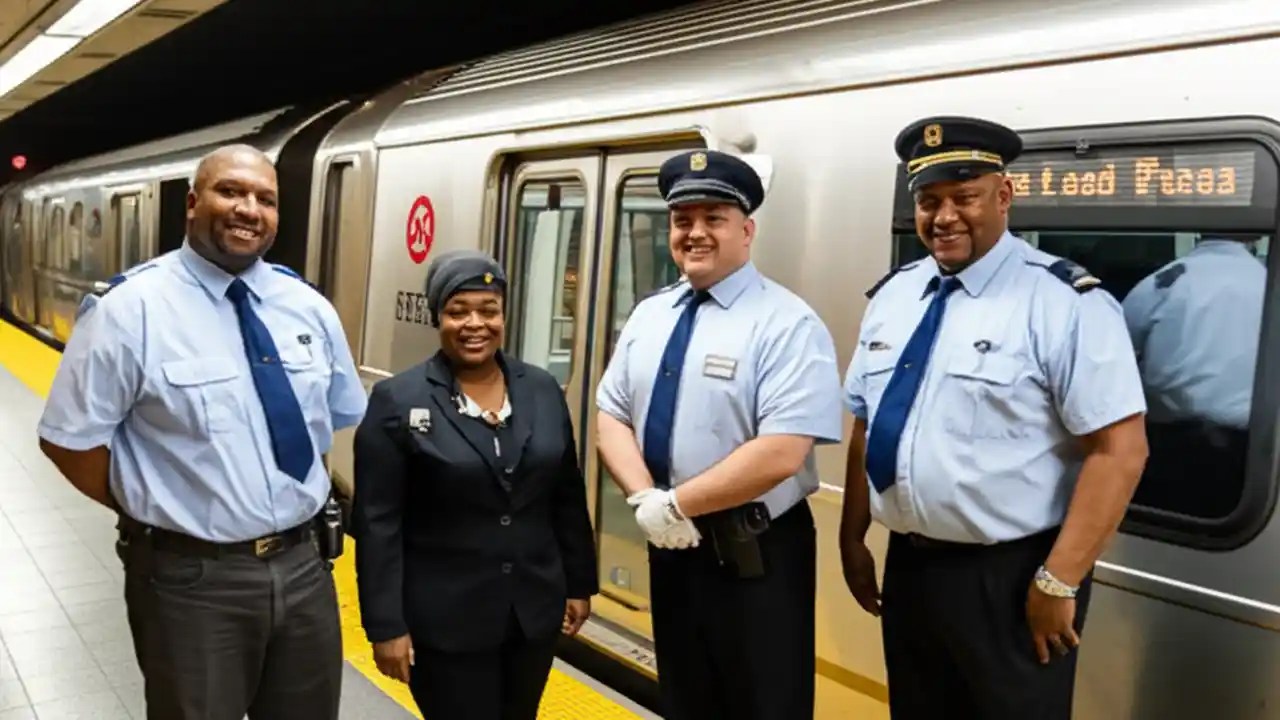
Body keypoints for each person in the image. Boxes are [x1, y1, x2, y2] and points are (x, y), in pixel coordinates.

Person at [35, 144, 369, 720]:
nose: (249, 209)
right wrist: (152, 505)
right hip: (190, 581)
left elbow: (334, 418)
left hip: (305, 567)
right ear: (193, 203)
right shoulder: (130, 309)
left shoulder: (307, 306)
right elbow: (67, 439)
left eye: (265, 199)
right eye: (231, 192)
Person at [838, 116, 1150, 720]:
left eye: (965, 197)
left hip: (1012, 579)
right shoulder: (896, 296)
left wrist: (1060, 580)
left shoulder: (1063, 303)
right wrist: (854, 536)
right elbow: (866, 426)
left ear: (1003, 197)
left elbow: (1121, 450)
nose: (944, 216)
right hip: (912, 568)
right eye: (929, 201)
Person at [595, 149, 844, 720]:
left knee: (762, 703)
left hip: (754, 552)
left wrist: (675, 503)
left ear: (746, 230)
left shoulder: (786, 322)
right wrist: (646, 500)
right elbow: (610, 415)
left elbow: (782, 451)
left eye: (714, 219)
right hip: (671, 544)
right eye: (683, 221)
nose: (695, 233)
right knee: (685, 696)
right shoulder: (651, 314)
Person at [351, 249, 598, 720]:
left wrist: (578, 582)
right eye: (457, 311)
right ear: (437, 316)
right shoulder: (397, 400)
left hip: (531, 615)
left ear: (505, 315)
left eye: (489, 310)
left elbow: (565, 492)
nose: (474, 324)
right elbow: (379, 523)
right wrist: (386, 626)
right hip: (443, 623)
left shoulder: (541, 389)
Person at [1121, 233, 1265, 517]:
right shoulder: (1266, 281)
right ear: (1254, 236)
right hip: (1254, 454)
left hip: (1169, 450)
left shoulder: (1162, 283)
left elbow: (1116, 352)